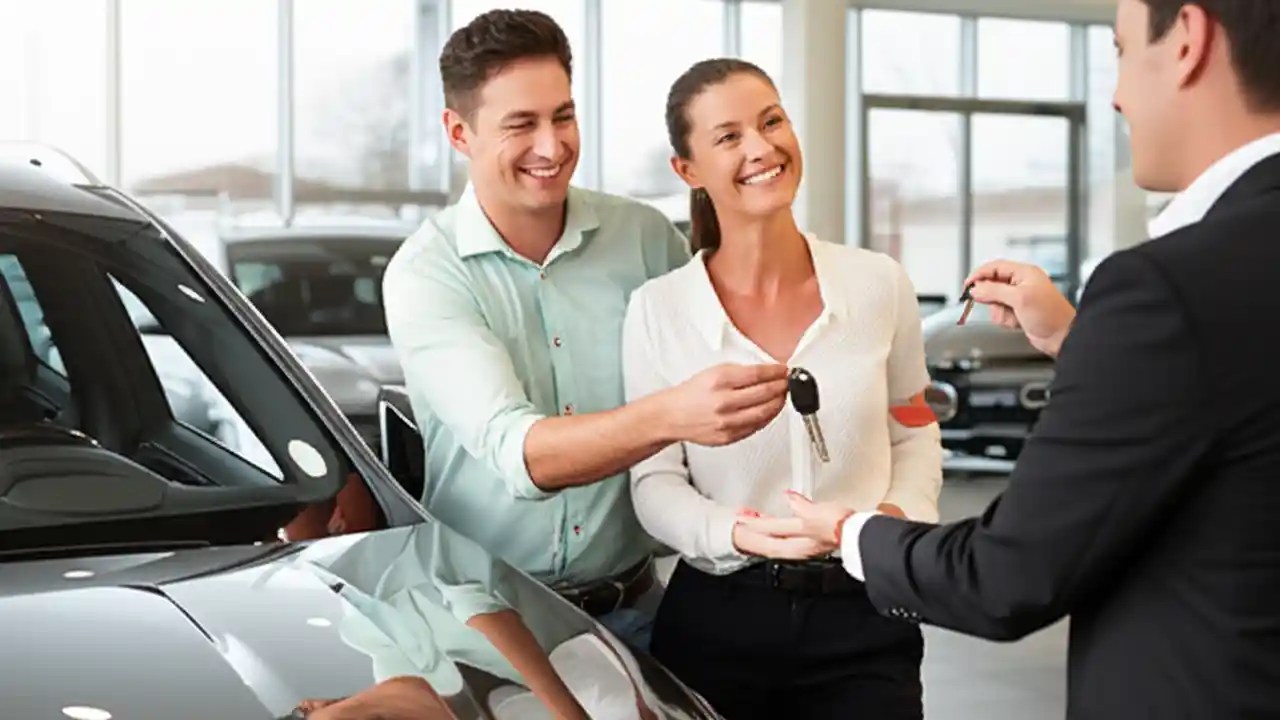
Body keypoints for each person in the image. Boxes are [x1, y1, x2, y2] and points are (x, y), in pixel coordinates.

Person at [766, 0, 1280, 716]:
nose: (1116, 95)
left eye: (1121, 51)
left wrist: (848, 530)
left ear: (1189, 40)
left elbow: (1003, 576)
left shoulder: (1166, 287)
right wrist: (1081, 341)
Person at [382, 9, 789, 651]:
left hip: (640, 613)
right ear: (459, 132)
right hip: (485, 627)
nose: (552, 147)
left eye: (563, 116)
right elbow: (521, 454)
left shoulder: (645, 238)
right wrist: (672, 414)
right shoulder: (427, 273)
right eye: (521, 124)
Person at [621, 58, 943, 719]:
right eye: (728, 136)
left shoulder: (878, 283)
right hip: (717, 619)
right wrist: (737, 533)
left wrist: (888, 523)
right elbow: (654, 481)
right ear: (688, 170)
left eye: (771, 122)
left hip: (865, 611)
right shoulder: (659, 310)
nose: (762, 148)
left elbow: (914, 425)